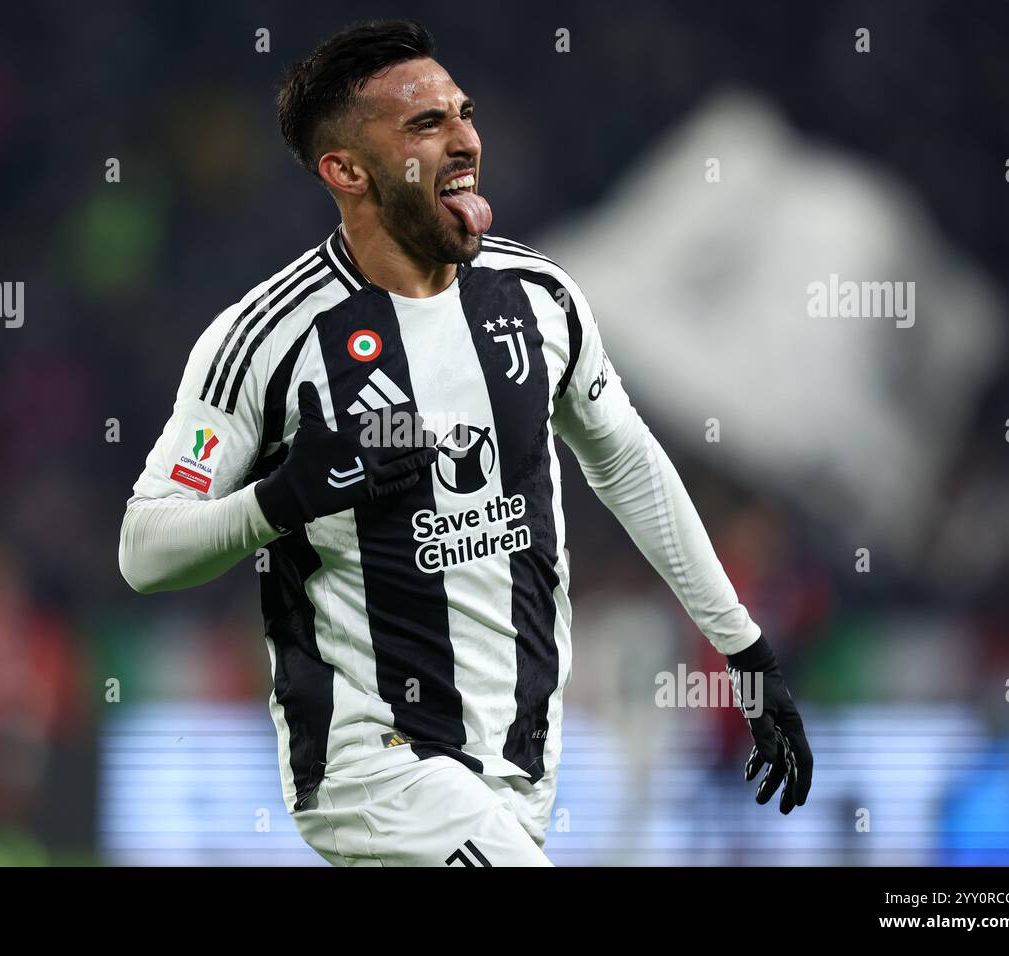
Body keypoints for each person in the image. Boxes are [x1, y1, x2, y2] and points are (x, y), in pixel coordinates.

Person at [118, 18, 811, 866]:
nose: (465, 142)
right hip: (372, 769)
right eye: (425, 125)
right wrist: (281, 499)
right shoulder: (268, 339)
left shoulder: (539, 298)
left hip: (518, 766)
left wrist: (742, 647)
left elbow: (626, 462)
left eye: (463, 114)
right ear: (347, 171)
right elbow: (144, 549)